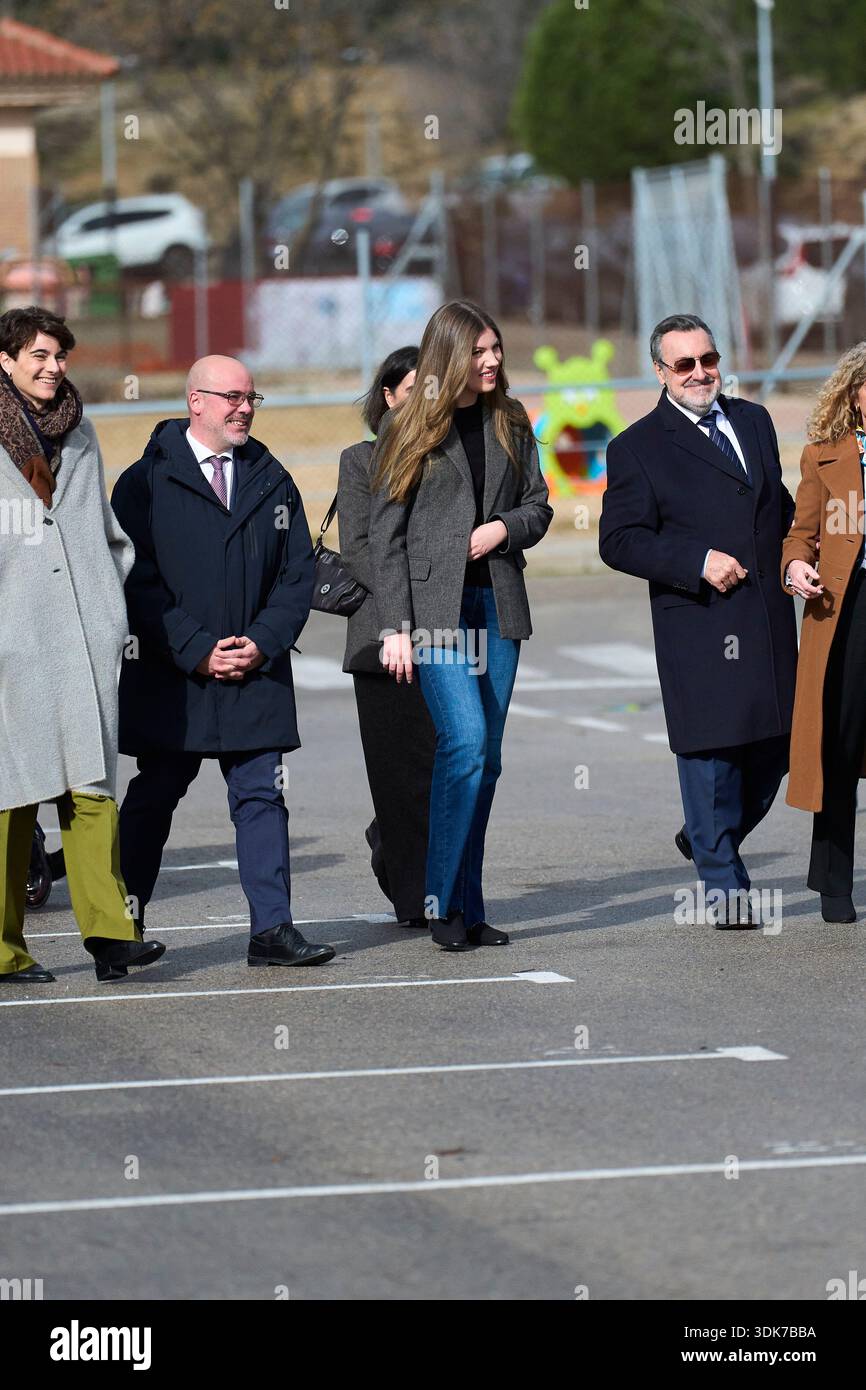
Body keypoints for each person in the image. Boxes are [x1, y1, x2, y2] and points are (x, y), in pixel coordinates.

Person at [112, 355, 334, 968]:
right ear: (196, 401)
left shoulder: (271, 475)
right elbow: (134, 579)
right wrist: (195, 649)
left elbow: (297, 574)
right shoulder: (144, 482)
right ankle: (119, 932)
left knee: (261, 793)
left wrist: (261, 642)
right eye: (232, 397)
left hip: (252, 669)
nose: (244, 408)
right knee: (155, 793)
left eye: (251, 397)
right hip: (171, 675)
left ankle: (272, 930)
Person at [599, 313, 798, 927]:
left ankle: (706, 835)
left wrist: (800, 557)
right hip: (701, 622)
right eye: (684, 364)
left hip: (767, 619)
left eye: (707, 360)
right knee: (712, 757)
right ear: (660, 372)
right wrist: (695, 560)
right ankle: (724, 885)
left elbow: (781, 507)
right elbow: (620, 540)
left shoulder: (754, 421)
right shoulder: (635, 446)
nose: (700, 373)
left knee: (778, 749)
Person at [368, 300, 553, 951]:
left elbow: (538, 504)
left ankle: (470, 907)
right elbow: (383, 536)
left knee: (488, 763)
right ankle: (441, 900)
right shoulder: (410, 425)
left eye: (497, 349)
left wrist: (504, 528)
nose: (492, 361)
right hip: (435, 614)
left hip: (497, 607)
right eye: (479, 352)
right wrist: (394, 625)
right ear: (450, 355)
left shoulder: (511, 419)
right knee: (465, 744)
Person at [0, 305, 167, 984]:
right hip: (12, 634)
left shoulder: (83, 430)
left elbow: (106, 530)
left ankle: (112, 935)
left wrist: (108, 610)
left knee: (90, 785)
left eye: (60, 356)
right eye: (38, 355)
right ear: (6, 362)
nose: (52, 367)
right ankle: (5, 949)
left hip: (81, 632)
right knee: (11, 795)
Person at [338, 347, 436, 928]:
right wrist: (418, 604)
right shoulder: (361, 460)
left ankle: (421, 866)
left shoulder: (447, 457)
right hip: (382, 638)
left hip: (448, 636)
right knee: (399, 773)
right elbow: (361, 551)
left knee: (444, 767)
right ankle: (413, 896)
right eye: (413, 387)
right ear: (390, 396)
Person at [782, 343, 866, 922]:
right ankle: (835, 883)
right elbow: (800, 533)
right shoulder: (824, 454)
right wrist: (794, 567)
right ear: (854, 394)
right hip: (847, 609)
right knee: (838, 742)